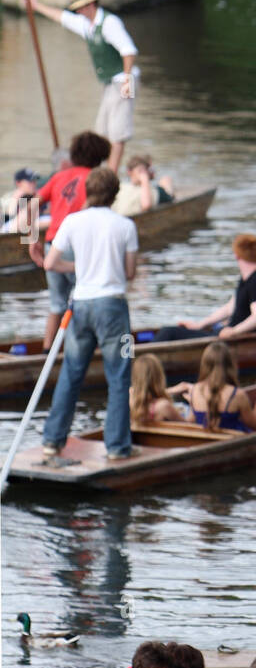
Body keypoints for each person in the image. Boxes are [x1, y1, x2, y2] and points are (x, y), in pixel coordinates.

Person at [41, 166, 138, 463]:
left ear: (87, 192)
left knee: (71, 372)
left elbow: (49, 263)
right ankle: (117, 446)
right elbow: (130, 273)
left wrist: (78, 269)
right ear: (115, 194)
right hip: (113, 306)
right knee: (120, 376)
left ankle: (52, 441)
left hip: (80, 306)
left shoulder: (72, 221)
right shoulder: (125, 226)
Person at [27, 0, 139, 174]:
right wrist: (36, 6)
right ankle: (97, 172)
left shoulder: (110, 23)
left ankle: (110, 176)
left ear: (90, 5)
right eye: (77, 9)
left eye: (81, 7)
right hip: (109, 83)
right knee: (101, 131)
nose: (78, 11)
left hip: (123, 80)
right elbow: (62, 18)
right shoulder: (87, 24)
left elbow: (129, 51)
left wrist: (127, 82)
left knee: (117, 133)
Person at [29, 131, 112, 350]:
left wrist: (31, 240)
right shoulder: (97, 180)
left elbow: (28, 207)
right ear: (99, 157)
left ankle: (47, 352)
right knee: (85, 300)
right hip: (79, 248)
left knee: (56, 304)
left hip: (53, 245)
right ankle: (85, 350)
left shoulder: (59, 176)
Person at [154, 233, 256, 343]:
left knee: (168, 332)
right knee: (169, 332)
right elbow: (229, 308)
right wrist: (199, 325)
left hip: (234, 340)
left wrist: (233, 331)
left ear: (237, 255)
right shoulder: (247, 279)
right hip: (225, 334)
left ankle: (142, 365)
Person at [187, 341, 256, 433]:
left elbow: (191, 421)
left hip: (207, 443)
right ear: (231, 365)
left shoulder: (195, 390)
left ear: (204, 365)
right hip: (235, 443)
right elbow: (255, 424)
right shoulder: (237, 395)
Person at [129, 353, 188, 426]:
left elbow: (142, 392)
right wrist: (193, 401)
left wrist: (170, 390)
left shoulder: (130, 398)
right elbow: (189, 427)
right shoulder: (163, 406)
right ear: (159, 376)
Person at [1, 168, 40, 233]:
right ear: (18, 183)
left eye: (35, 181)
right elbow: (9, 218)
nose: (34, 184)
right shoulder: (7, 199)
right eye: (30, 181)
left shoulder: (39, 196)